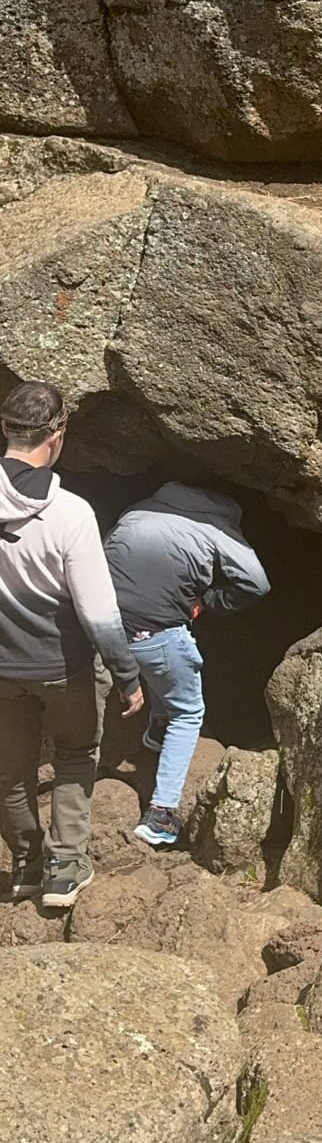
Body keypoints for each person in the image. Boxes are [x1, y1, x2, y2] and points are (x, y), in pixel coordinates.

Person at [0, 380, 144, 910]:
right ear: (57, 435)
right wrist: (127, 677)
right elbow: (99, 612)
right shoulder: (71, 513)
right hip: (62, 668)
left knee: (10, 770)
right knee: (76, 754)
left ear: (4, 429)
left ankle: (25, 866)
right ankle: (64, 868)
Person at [104, 482, 270, 847]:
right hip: (158, 633)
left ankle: (157, 729)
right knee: (189, 713)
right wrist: (211, 600)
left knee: (163, 675)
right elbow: (257, 584)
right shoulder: (216, 527)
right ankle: (161, 814)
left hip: (105, 629)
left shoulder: (140, 509)